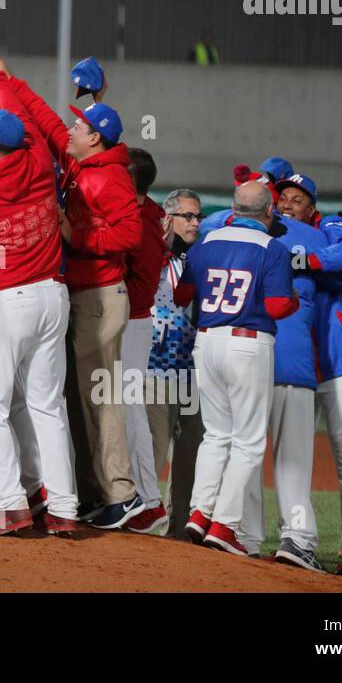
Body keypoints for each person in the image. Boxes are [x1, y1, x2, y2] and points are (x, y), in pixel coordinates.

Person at [0, 49, 142, 529]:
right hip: (79, 295)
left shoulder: (109, 176)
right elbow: (49, 124)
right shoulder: (85, 163)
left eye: (79, 126)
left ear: (95, 138)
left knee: (100, 399)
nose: (69, 129)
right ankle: (96, 491)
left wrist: (79, 237)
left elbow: (130, 235)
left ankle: (122, 495)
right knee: (76, 400)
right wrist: (7, 80)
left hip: (100, 294)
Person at [0, 32, 77, 538]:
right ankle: (65, 508)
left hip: (8, 299)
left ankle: (11, 503)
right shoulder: (40, 165)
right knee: (48, 405)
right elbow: (23, 117)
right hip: (54, 295)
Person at [178, 181, 297, 556]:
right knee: (247, 440)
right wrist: (293, 301)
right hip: (247, 343)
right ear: (269, 212)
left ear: (233, 208)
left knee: (215, 434)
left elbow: (183, 295)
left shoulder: (206, 242)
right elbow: (278, 306)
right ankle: (224, 526)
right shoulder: (272, 248)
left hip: (206, 340)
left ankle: (199, 513)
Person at [274, 168, 342, 578]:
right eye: (283, 198)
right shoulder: (275, 233)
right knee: (290, 456)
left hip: (338, 362)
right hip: (297, 364)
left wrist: (309, 258)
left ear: (312, 207)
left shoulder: (330, 225)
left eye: (297, 199)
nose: (288, 204)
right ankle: (293, 536)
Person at [146, 190, 204, 539]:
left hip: (192, 372)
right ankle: (145, 522)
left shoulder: (202, 259)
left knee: (190, 452)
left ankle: (180, 528)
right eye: (188, 216)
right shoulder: (152, 257)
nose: (195, 222)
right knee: (151, 451)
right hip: (154, 369)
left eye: (198, 216)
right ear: (168, 219)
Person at [118, 147, 167, 533]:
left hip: (131, 323)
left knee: (129, 409)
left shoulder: (144, 222)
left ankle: (150, 501)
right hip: (125, 321)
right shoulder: (140, 214)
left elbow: (143, 283)